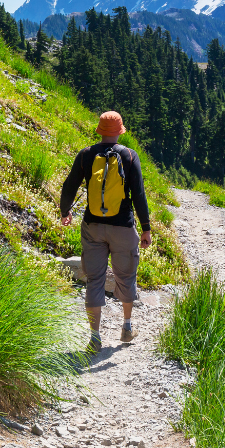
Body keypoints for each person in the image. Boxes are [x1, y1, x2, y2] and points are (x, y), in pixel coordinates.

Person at [60, 111, 152, 353]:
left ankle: (95, 337)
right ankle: (127, 327)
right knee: (126, 276)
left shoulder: (86, 155)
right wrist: (146, 228)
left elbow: (69, 186)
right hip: (123, 227)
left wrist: (65, 211)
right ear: (120, 131)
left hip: (93, 226)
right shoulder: (129, 156)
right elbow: (139, 194)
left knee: (95, 280)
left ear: (99, 130)